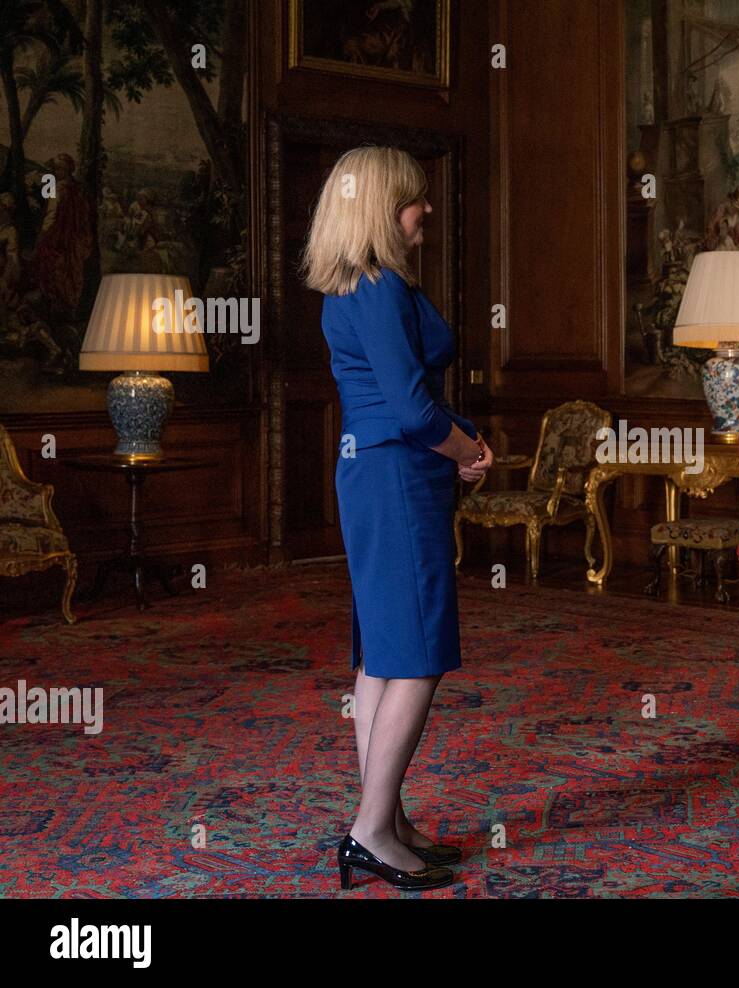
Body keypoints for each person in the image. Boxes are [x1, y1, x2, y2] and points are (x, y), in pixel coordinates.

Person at [301, 146, 493, 890]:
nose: (427, 211)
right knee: (414, 651)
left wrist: (461, 440)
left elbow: (404, 397)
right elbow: (412, 409)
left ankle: (387, 817)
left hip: (378, 469)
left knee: (382, 650)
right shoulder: (377, 287)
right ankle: (371, 830)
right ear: (383, 207)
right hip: (396, 475)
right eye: (415, 200)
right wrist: (464, 450)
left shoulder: (353, 285)